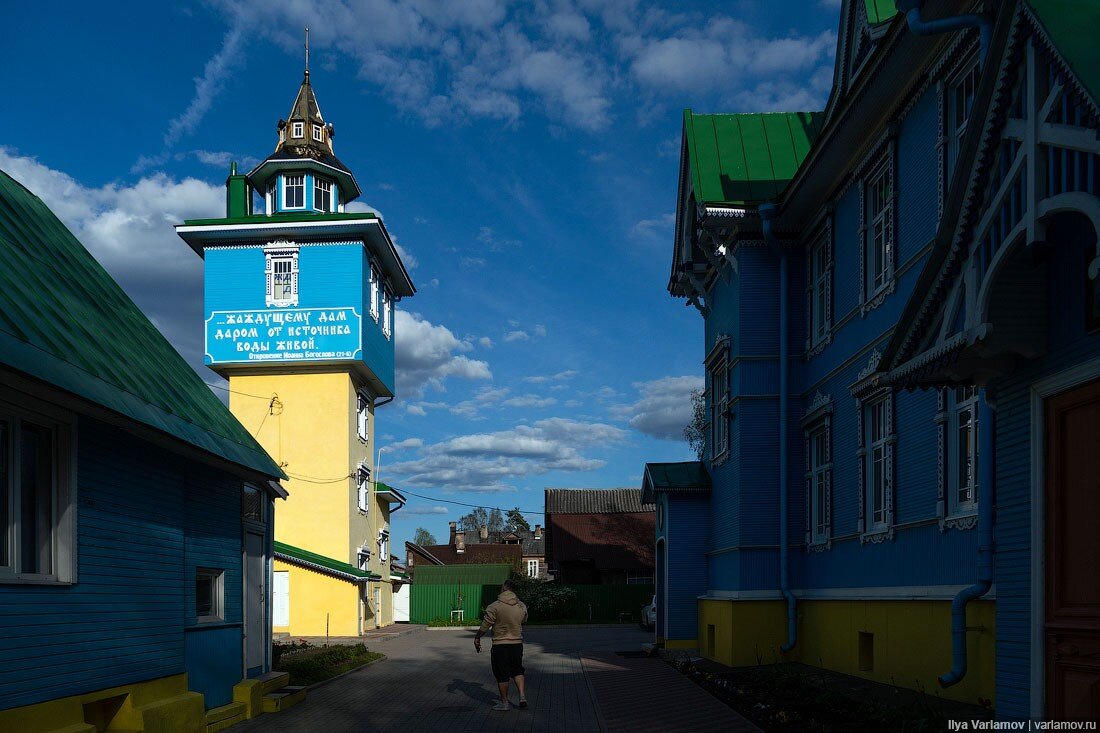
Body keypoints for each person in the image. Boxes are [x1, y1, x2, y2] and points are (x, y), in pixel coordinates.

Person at [474, 579, 529, 711]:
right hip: (517, 643)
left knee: (502, 674)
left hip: (500, 645)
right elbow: (525, 619)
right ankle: (522, 696)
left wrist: (477, 637)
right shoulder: (521, 605)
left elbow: (485, 625)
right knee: (517, 669)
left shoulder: (494, 606)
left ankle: (504, 703)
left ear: (504, 589)